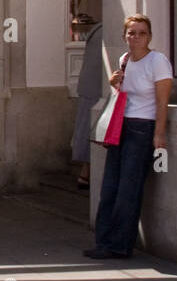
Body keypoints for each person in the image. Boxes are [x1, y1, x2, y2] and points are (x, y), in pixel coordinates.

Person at [85, 14, 171, 259]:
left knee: (128, 190)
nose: (136, 37)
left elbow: (162, 102)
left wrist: (159, 134)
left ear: (150, 36)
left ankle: (119, 246)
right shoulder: (124, 60)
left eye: (142, 33)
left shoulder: (158, 61)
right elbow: (122, 95)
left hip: (142, 129)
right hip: (120, 126)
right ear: (124, 36)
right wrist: (113, 82)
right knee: (109, 187)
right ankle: (103, 242)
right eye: (132, 33)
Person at [72, 21, 105, 188]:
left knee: (87, 129)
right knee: (91, 131)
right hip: (97, 90)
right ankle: (86, 173)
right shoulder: (104, 31)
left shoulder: (97, 30)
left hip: (90, 88)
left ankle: (85, 173)